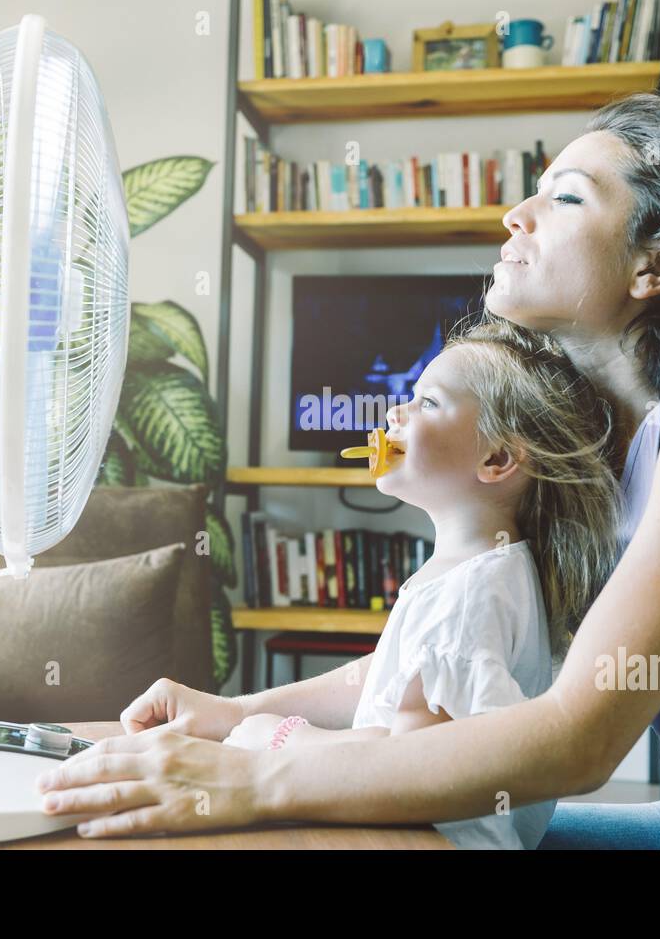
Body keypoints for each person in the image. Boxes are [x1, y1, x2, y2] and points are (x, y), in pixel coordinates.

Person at [36, 92, 660, 850]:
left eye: (567, 198)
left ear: (653, 267)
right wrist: (238, 714)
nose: (516, 213)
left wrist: (252, 775)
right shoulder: (580, 444)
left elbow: (576, 739)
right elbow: (442, 648)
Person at [218, 323, 622, 848]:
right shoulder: (481, 570)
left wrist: (279, 737)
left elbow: (404, 774)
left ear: (497, 459)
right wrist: (239, 711)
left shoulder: (468, 595)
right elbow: (393, 687)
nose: (395, 413)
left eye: (428, 402)